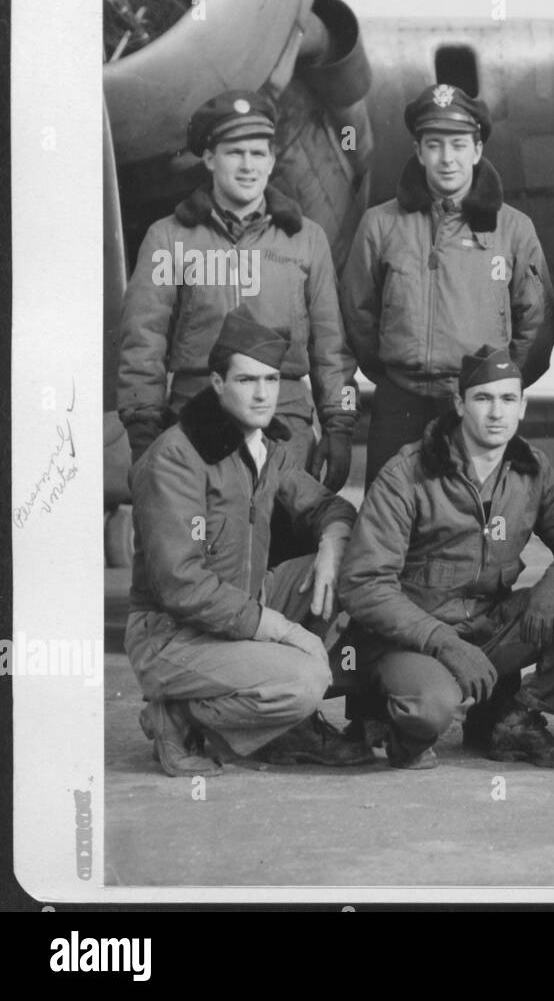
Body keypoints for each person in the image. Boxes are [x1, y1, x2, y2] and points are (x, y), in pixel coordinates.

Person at [337, 346, 554, 770]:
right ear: (459, 403)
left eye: (507, 400)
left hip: (488, 629)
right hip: (414, 637)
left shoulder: (531, 469)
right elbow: (364, 584)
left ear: (522, 407)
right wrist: (442, 641)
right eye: (483, 398)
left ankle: (514, 715)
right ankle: (388, 713)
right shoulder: (408, 473)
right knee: (430, 709)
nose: (495, 413)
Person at [126, 307, 372, 776]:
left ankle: (281, 727)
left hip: (240, 609)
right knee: (306, 679)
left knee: (355, 566)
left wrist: (332, 545)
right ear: (217, 383)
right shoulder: (176, 459)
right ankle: (175, 715)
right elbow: (182, 587)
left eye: (272, 380)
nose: (263, 394)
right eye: (246, 381)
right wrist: (282, 630)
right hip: (172, 635)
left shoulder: (265, 449)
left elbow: (330, 507)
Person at [118, 89, 357, 492]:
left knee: (282, 546)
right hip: (196, 416)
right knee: (199, 543)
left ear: (272, 159)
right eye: (234, 152)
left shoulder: (306, 240)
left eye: (258, 153)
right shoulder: (167, 238)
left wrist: (340, 423)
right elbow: (143, 338)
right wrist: (143, 425)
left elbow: (331, 345)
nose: (248, 166)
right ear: (210, 159)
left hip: (285, 422)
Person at [341, 83, 554, 485]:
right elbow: (357, 313)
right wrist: (395, 371)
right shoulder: (380, 225)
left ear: (476, 151)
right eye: (434, 145)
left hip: (475, 406)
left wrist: (496, 387)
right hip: (400, 405)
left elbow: (538, 323)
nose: (447, 158)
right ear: (419, 151)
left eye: (458, 145)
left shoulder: (513, 230)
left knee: (476, 526)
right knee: (388, 524)